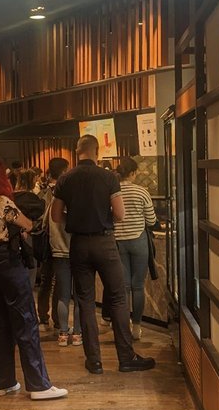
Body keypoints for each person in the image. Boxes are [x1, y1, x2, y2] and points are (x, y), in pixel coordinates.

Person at [51, 135, 155, 375]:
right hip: (105, 242)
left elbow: (56, 216)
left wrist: (76, 221)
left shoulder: (66, 178)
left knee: (85, 301)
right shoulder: (108, 177)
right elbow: (119, 214)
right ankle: (126, 358)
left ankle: (94, 361)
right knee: (117, 298)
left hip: (78, 244)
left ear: (77, 151)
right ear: (96, 151)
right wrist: (102, 218)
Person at [0, 158, 67, 400]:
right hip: (9, 262)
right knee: (26, 320)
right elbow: (28, 224)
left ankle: (3, 382)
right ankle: (38, 385)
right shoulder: (3, 202)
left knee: (1, 324)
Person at [113, 157, 157, 340]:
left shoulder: (112, 191)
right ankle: (137, 327)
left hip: (118, 241)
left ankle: (124, 326)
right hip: (139, 240)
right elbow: (151, 220)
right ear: (132, 173)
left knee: (123, 287)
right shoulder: (141, 191)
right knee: (138, 286)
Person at [46, 162, 82, 348]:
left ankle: (62, 334)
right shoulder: (73, 201)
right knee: (79, 296)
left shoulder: (52, 202)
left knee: (63, 296)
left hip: (58, 251)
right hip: (76, 251)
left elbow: (45, 225)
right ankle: (77, 334)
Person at [37, 158, 68, 331]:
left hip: (46, 240)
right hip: (61, 241)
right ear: (64, 171)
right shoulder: (64, 191)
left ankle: (43, 318)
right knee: (59, 283)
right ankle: (57, 321)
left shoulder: (42, 192)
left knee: (45, 281)